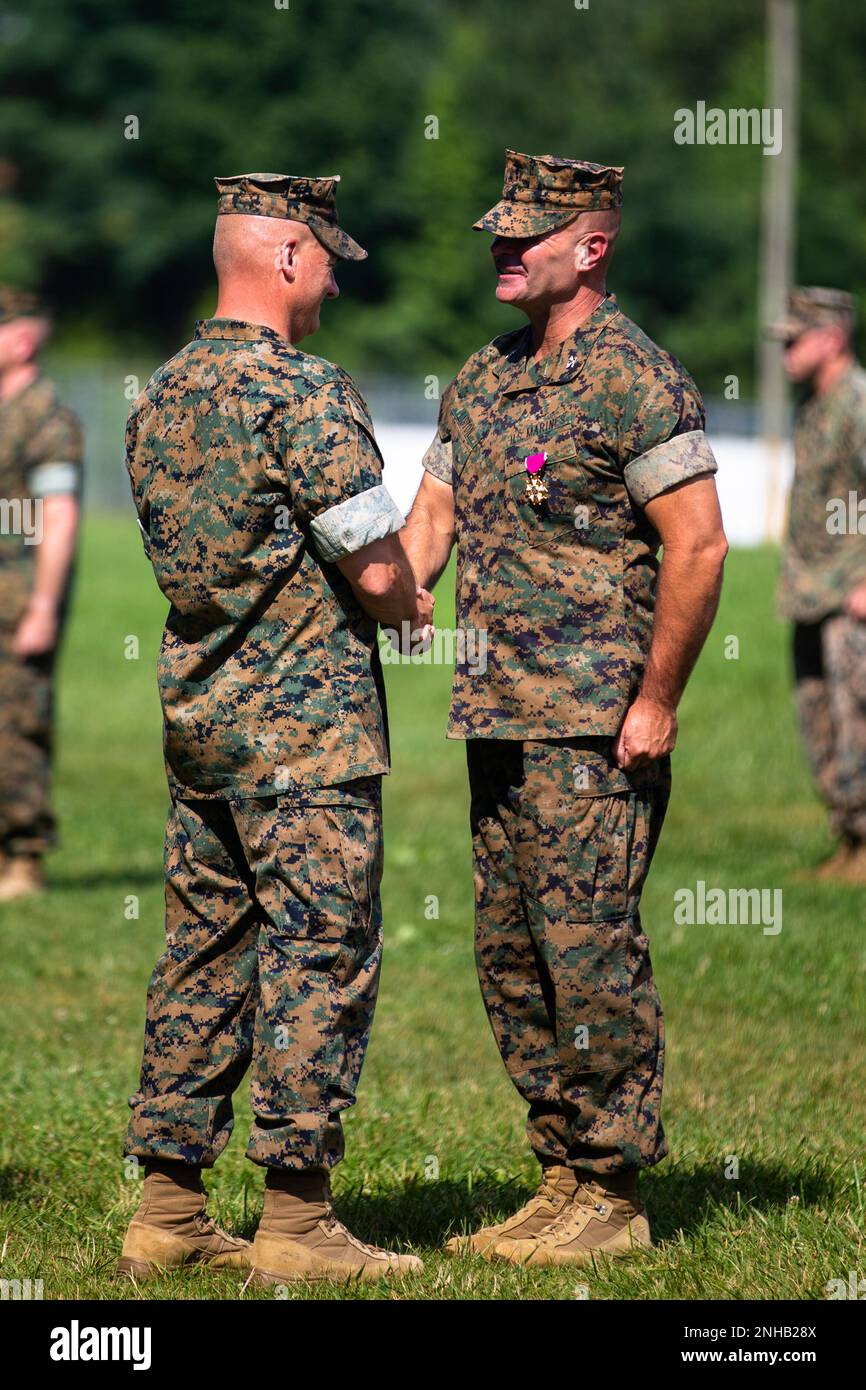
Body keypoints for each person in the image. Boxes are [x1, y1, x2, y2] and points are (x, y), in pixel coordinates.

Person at [402, 150, 727, 1267]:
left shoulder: (635, 378)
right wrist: (349, 568)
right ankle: (557, 1171)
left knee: (587, 949)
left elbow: (697, 544)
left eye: (523, 235)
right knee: (510, 951)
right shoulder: (481, 380)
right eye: (495, 230)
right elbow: (425, 533)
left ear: (589, 247)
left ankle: (612, 1190)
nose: (501, 247)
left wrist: (656, 699)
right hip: (495, 718)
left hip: (595, 725)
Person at [119, 172, 431, 1284]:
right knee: (318, 955)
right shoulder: (301, 390)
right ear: (288, 255)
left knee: (202, 953)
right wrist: (410, 603)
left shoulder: (157, 392)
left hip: (200, 726)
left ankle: (166, 1211)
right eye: (329, 258)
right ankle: (297, 1224)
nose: (339, 281)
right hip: (305, 740)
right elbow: (375, 560)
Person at [773, 287, 866, 883]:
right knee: (820, 718)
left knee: (857, 715)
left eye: (794, 338)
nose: (784, 351)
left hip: (852, 594)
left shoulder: (858, 404)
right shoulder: (813, 407)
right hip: (810, 592)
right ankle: (849, 841)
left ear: (831, 338)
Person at [0, 286, 82, 902]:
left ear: (22, 339)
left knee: (16, 724)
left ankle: (23, 856)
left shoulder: (46, 416)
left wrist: (43, 607)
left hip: (17, 599)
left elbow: (57, 516)